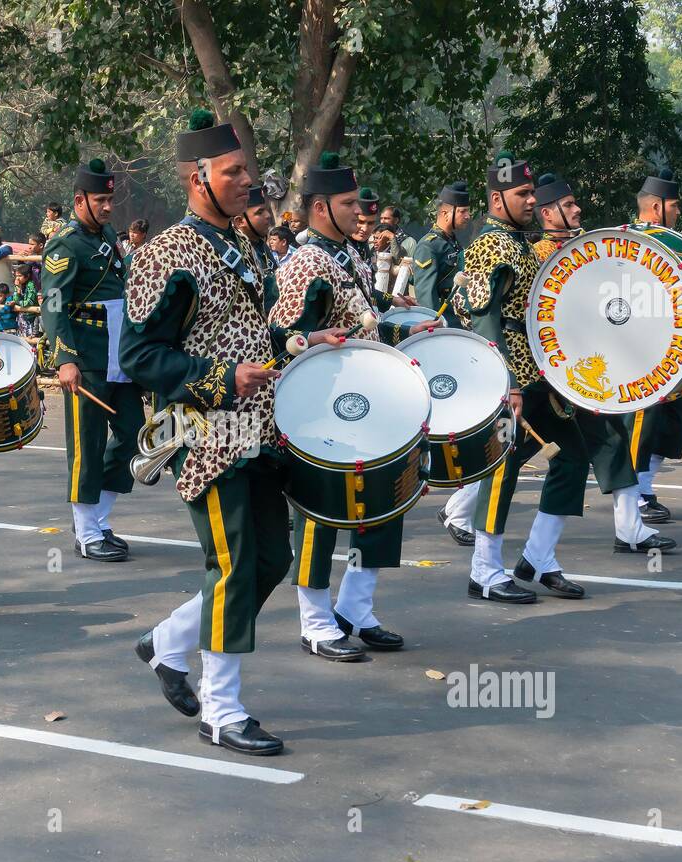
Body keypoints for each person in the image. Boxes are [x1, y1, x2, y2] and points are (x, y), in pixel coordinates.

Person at [120, 110, 341, 755]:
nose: (248, 180)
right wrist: (219, 380)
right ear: (198, 178)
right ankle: (221, 710)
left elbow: (249, 335)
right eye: (234, 171)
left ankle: (168, 642)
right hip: (211, 433)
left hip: (264, 428)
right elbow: (141, 355)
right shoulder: (165, 254)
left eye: (246, 169)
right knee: (237, 563)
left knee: (270, 560)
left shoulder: (242, 244)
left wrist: (302, 338)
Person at [269, 150, 428, 661]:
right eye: (347, 202)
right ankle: (315, 621)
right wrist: (308, 340)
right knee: (320, 511)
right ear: (319, 208)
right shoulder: (303, 262)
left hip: (367, 400)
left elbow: (365, 315)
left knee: (380, 502)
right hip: (320, 406)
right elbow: (278, 336)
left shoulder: (350, 253)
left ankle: (357, 607)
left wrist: (408, 324)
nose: (359, 211)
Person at [451, 150, 590, 604]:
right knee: (501, 468)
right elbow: (484, 315)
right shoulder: (490, 244)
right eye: (523, 193)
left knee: (571, 456)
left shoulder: (516, 241)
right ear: (497, 198)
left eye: (532, 192)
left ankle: (538, 557)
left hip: (536, 373)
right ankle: (485, 570)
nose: (532, 200)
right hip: (507, 373)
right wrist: (506, 380)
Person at [529, 172, 674, 558]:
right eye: (570, 204)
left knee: (610, 438)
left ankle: (629, 528)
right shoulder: (542, 255)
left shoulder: (587, 247)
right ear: (548, 212)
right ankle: (462, 513)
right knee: (514, 449)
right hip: (558, 371)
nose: (578, 209)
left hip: (589, 370)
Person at [37, 158, 142, 561]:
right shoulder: (64, 242)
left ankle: (98, 516)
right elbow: (54, 303)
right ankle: (86, 531)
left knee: (133, 434)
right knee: (87, 441)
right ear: (79, 200)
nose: (108, 206)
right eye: (100, 200)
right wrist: (65, 358)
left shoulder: (108, 234)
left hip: (119, 350)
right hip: (87, 353)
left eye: (110, 199)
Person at [621, 169, 682, 523]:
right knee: (643, 419)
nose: (678, 212)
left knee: (676, 414)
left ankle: (645, 486)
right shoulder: (628, 240)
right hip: (637, 347)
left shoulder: (675, 241)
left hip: (671, 348)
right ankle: (634, 494)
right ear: (655, 206)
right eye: (675, 206)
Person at [405, 182, 471, 313]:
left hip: (461, 317)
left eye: (468, 211)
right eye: (462, 211)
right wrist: (437, 325)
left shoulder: (451, 240)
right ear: (445, 213)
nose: (468, 216)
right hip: (446, 320)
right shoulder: (428, 246)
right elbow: (426, 297)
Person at [233, 186, 278, 313]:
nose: (268, 216)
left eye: (267, 210)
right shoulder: (237, 252)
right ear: (240, 221)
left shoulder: (261, 244)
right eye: (259, 212)